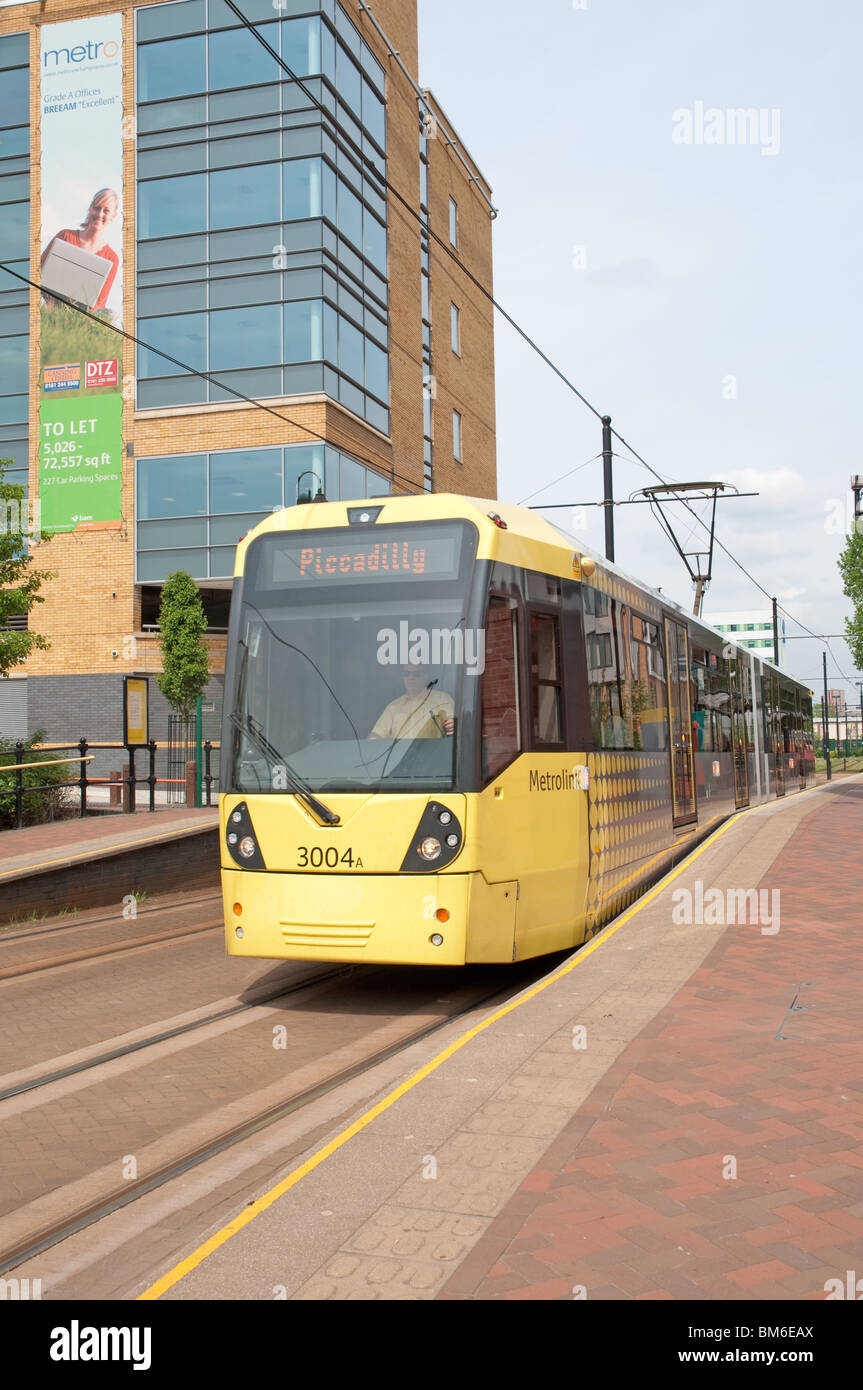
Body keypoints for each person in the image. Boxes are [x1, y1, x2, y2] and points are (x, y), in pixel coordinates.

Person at [41, 189, 121, 312]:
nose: (100, 214)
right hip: (48, 301)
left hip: (80, 314)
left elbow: (100, 303)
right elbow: (38, 270)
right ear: (90, 209)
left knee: (108, 314)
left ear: (113, 216)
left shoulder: (111, 258)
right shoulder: (65, 236)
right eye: (97, 208)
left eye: (106, 211)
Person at [370, 665, 455, 740]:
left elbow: (454, 724)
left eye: (416, 674)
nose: (411, 678)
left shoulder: (441, 699)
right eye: (406, 674)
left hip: (432, 755)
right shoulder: (393, 706)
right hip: (400, 757)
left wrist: (454, 725)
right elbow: (377, 734)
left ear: (425, 676)